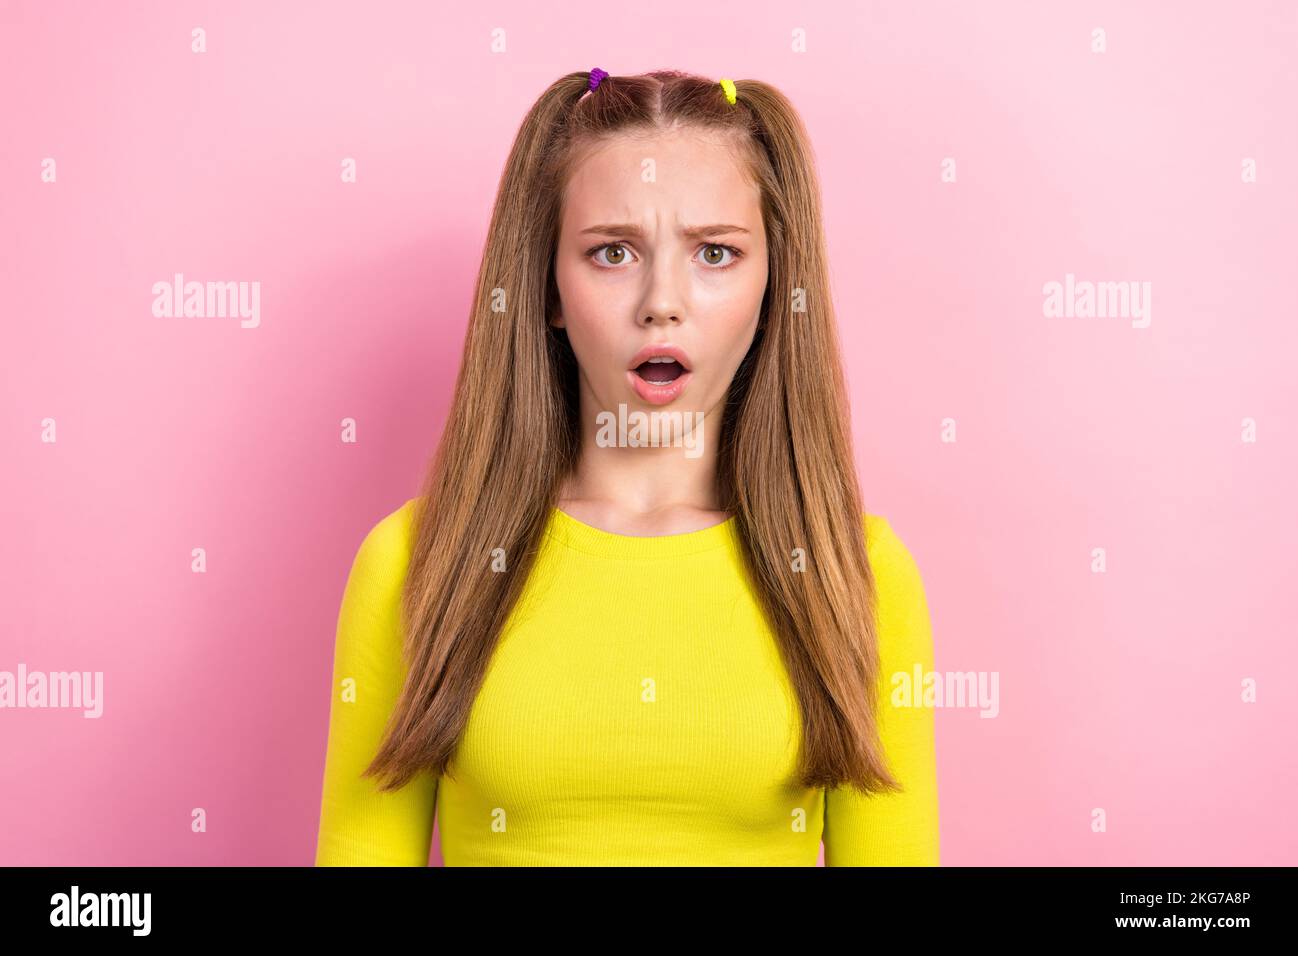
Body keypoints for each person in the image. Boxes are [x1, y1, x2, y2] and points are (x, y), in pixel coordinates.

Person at [314, 68, 939, 866]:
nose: (662, 301)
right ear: (545, 286)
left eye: (716, 252)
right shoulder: (413, 563)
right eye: (613, 252)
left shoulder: (861, 575)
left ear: (774, 286)